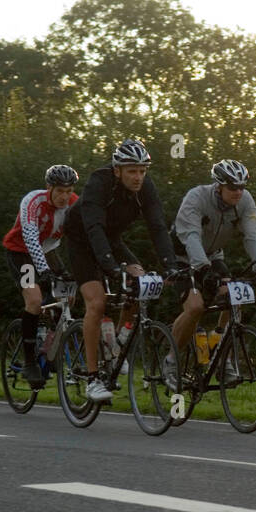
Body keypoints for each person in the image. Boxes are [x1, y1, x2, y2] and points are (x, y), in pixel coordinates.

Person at [63, 140, 177, 402]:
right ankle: (93, 380)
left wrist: (171, 266)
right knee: (97, 302)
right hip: (83, 241)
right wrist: (112, 268)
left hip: (112, 240)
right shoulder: (98, 183)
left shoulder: (145, 188)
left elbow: (158, 227)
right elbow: (94, 229)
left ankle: (118, 343)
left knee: (141, 283)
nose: (138, 177)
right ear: (117, 170)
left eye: (142, 171)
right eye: (131, 171)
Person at [164, 159, 256, 388]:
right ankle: (171, 361)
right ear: (219, 185)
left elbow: (252, 235)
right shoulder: (196, 198)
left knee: (235, 296)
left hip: (212, 256)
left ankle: (218, 349)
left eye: (242, 186)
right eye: (233, 187)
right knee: (195, 308)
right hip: (182, 256)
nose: (238, 192)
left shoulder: (245, 201)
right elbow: (191, 236)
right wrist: (203, 269)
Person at [2, 164, 80, 388]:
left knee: (68, 297)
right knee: (35, 299)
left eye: (69, 191)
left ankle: (50, 348)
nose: (65, 197)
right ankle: (28, 361)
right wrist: (44, 272)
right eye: (60, 191)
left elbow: (82, 236)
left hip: (49, 251)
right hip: (20, 253)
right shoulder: (33, 201)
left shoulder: (74, 203)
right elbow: (30, 238)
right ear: (49, 188)